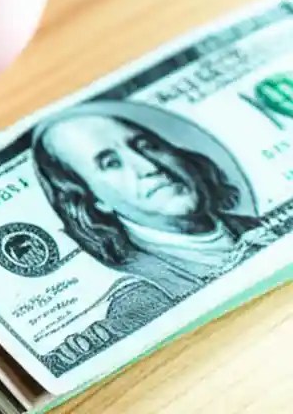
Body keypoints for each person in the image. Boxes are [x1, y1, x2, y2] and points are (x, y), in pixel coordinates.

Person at [31, 110, 272, 300]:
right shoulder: (142, 287)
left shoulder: (261, 228)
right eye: (111, 163)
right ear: (94, 199)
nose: (150, 167)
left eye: (146, 146)